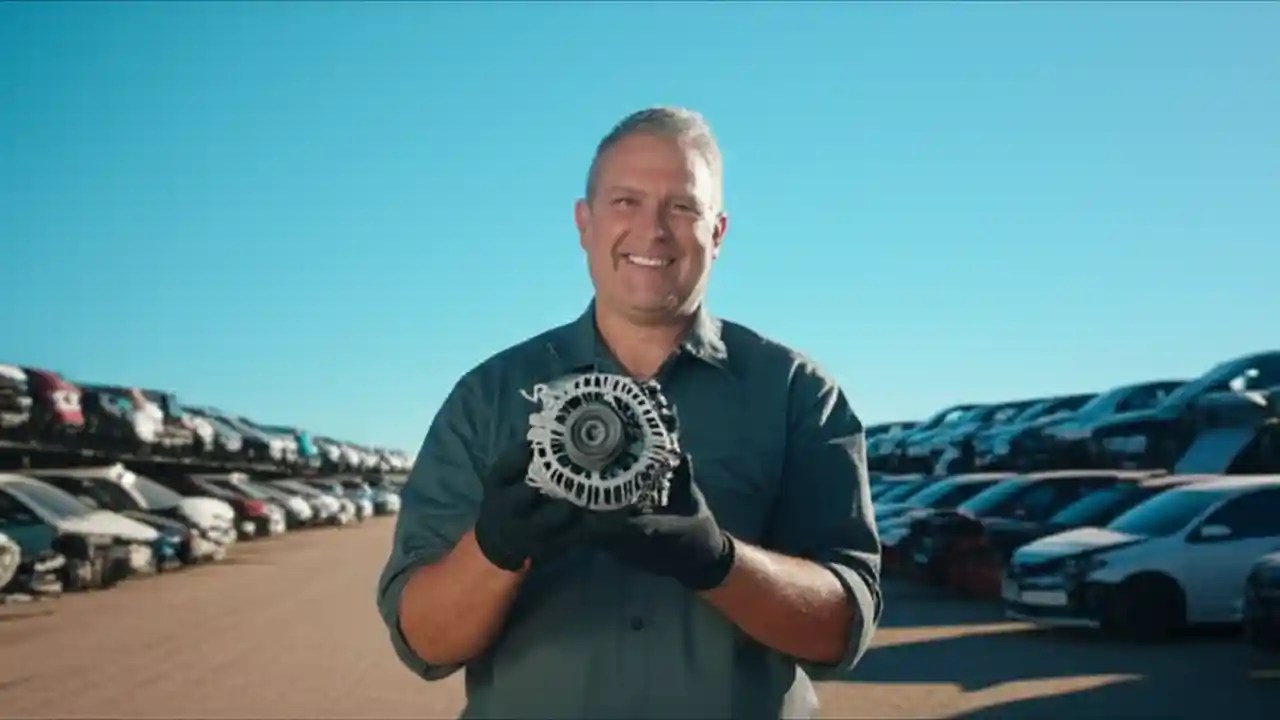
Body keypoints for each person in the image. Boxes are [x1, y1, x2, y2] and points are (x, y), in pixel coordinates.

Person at [376, 107, 883, 719]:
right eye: (625, 202)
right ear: (583, 223)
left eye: (682, 207)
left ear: (717, 233)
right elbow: (424, 643)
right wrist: (493, 550)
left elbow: (842, 628)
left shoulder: (799, 394)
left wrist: (716, 559)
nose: (653, 231)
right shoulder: (485, 397)